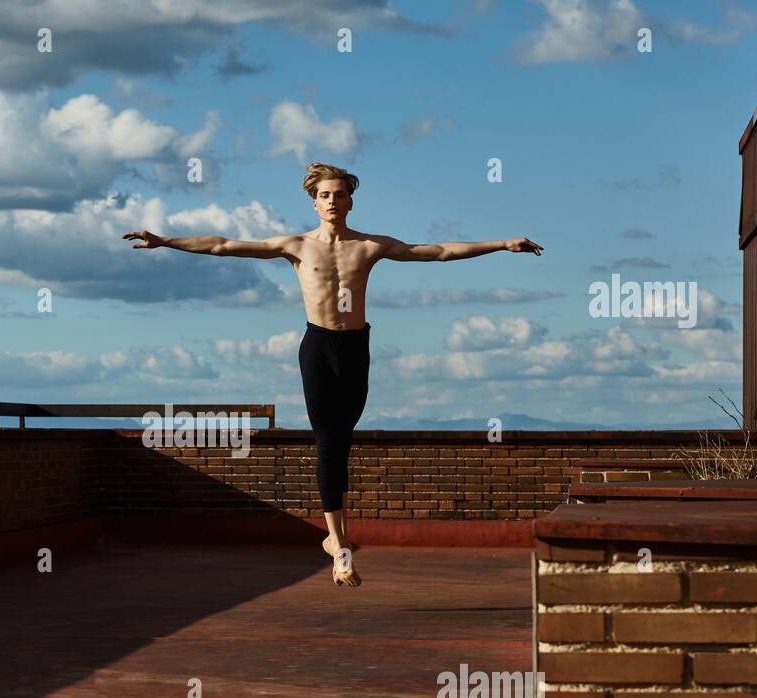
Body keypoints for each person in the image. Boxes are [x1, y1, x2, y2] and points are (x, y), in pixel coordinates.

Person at [124, 161, 542, 586]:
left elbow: (436, 251)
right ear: (314, 201)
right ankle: (341, 549)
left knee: (342, 441)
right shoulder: (297, 246)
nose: (332, 202)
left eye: (339, 195)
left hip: (356, 349)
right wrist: (165, 241)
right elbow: (223, 245)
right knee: (327, 441)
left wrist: (502, 243)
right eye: (324, 195)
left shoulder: (369, 246)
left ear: (350, 201)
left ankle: (332, 538)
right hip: (319, 347)